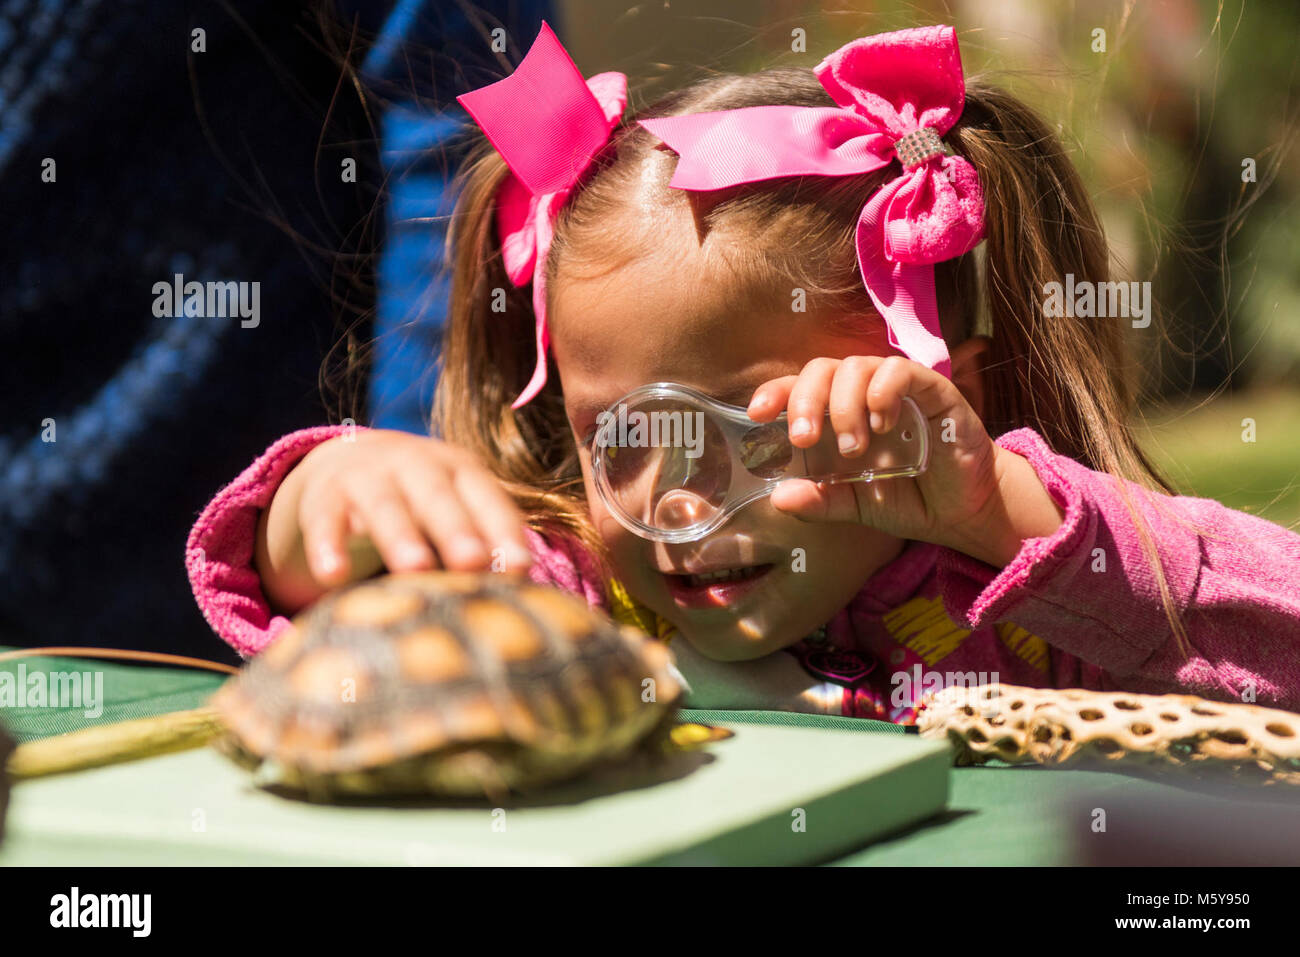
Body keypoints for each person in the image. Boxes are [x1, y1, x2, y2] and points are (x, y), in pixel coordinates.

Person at [186, 24, 1300, 723]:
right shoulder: (588, 609)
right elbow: (339, 647)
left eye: (766, 425)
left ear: (943, 395)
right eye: (620, 435)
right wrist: (314, 518)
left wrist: (1010, 518)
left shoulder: (1045, 607)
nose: (678, 498)